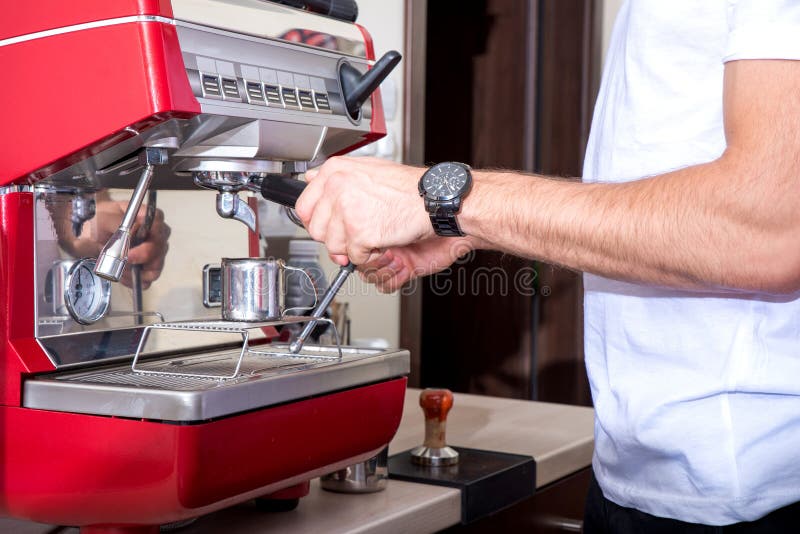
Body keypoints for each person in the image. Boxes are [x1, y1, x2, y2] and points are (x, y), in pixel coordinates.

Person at [294, 1, 800, 532]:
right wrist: (462, 225)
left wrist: (448, 198)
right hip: (634, 476)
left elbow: (770, 225)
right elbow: (665, 200)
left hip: (752, 492)